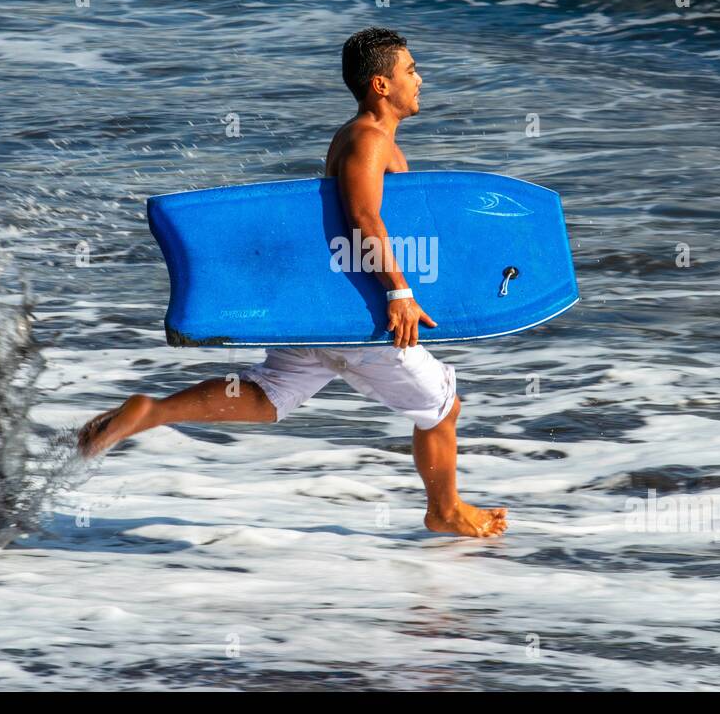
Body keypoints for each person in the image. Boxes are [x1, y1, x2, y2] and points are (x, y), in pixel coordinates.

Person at [77, 28, 507, 538]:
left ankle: (154, 410)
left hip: (323, 310)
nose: (420, 78)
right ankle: (445, 510)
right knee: (441, 408)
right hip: (360, 312)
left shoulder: (363, 137)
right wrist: (399, 293)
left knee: (267, 395)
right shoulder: (369, 139)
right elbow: (364, 219)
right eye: (410, 70)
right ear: (381, 84)